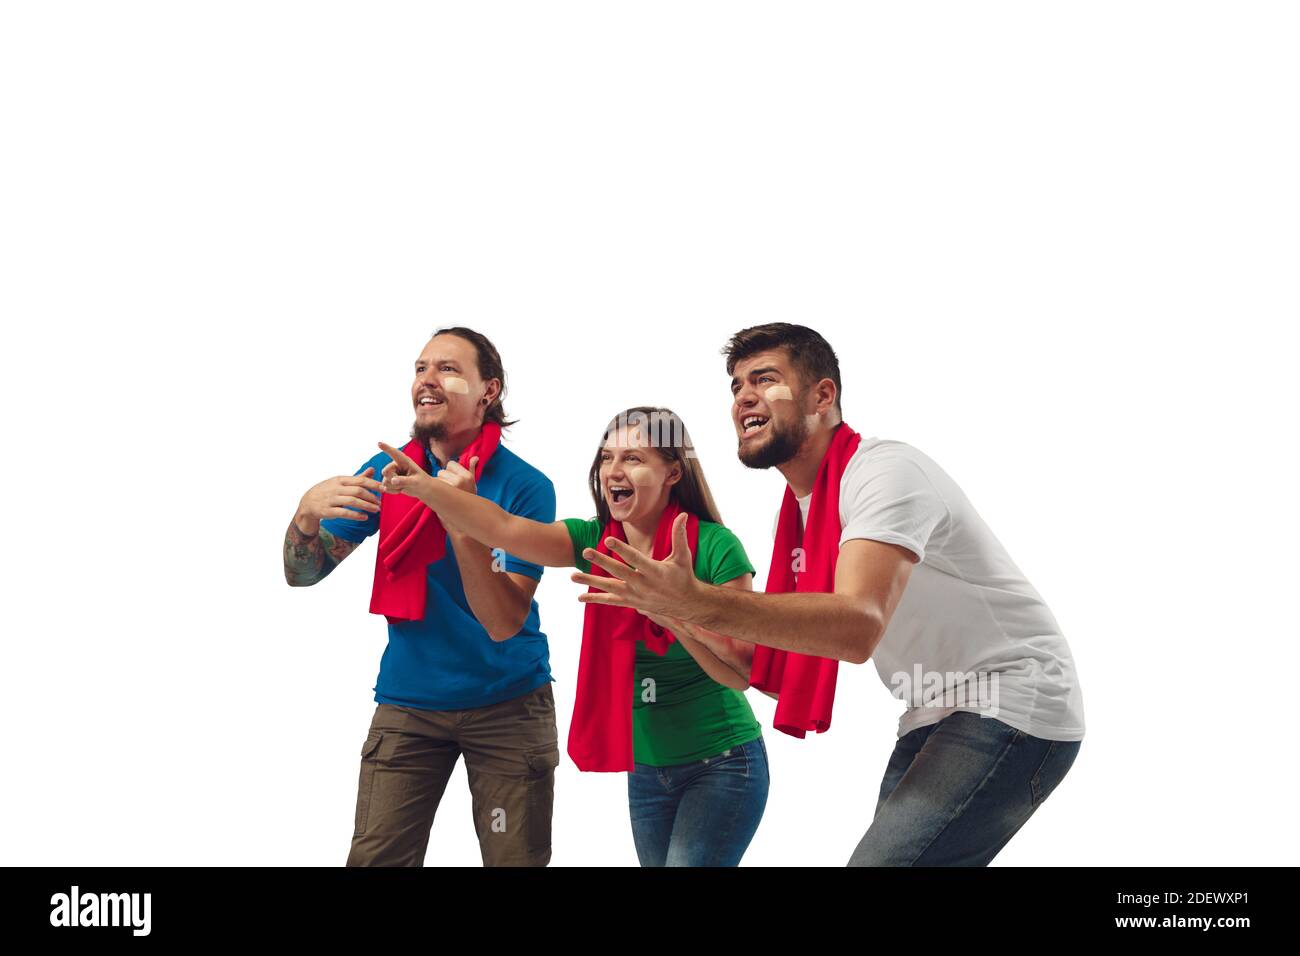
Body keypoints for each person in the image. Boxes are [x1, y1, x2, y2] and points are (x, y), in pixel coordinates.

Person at [569, 323, 1086, 866]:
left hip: (1012, 698)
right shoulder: (798, 515)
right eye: (736, 385)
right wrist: (675, 612)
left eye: (764, 379)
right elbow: (768, 664)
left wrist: (691, 600)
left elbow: (857, 625)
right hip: (932, 710)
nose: (743, 396)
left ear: (823, 396)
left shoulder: (884, 473)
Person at [379, 406, 770, 866]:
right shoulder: (591, 542)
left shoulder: (715, 547)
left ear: (672, 473)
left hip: (724, 762)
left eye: (634, 458)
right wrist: (428, 488)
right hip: (646, 768)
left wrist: (671, 608)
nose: (613, 471)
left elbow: (741, 671)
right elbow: (503, 529)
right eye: (606, 458)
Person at [283, 326, 559, 867]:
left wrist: (462, 517)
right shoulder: (387, 475)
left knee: (514, 861)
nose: (427, 381)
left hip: (507, 704)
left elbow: (504, 621)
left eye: (448, 369)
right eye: (420, 368)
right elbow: (304, 575)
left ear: (490, 391)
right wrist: (306, 517)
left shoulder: (525, 487)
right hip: (411, 704)